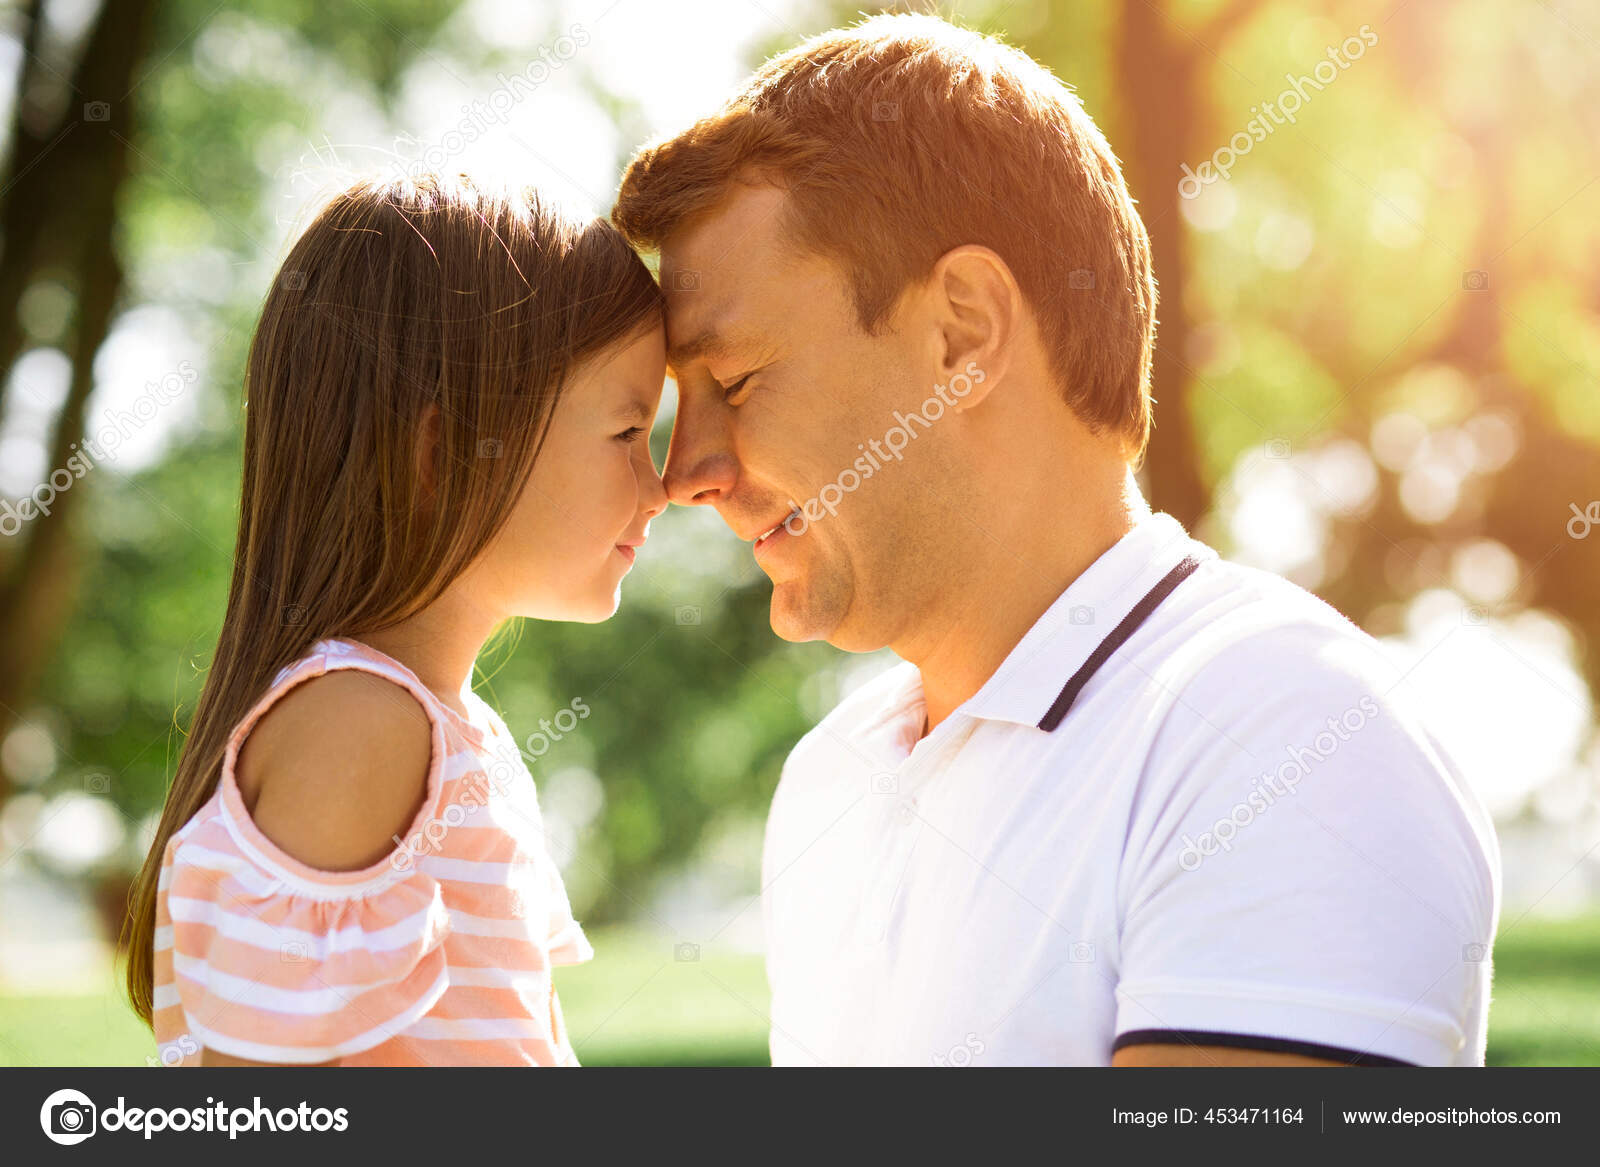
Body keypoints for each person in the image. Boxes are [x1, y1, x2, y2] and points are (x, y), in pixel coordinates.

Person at [612, 13, 1501, 1066]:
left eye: (737, 382)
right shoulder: (831, 784)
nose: (685, 475)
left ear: (962, 333)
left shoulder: (1286, 736)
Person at [122, 173, 667, 1065]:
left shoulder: (452, 731)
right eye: (627, 433)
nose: (661, 489)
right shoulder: (362, 726)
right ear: (443, 452)